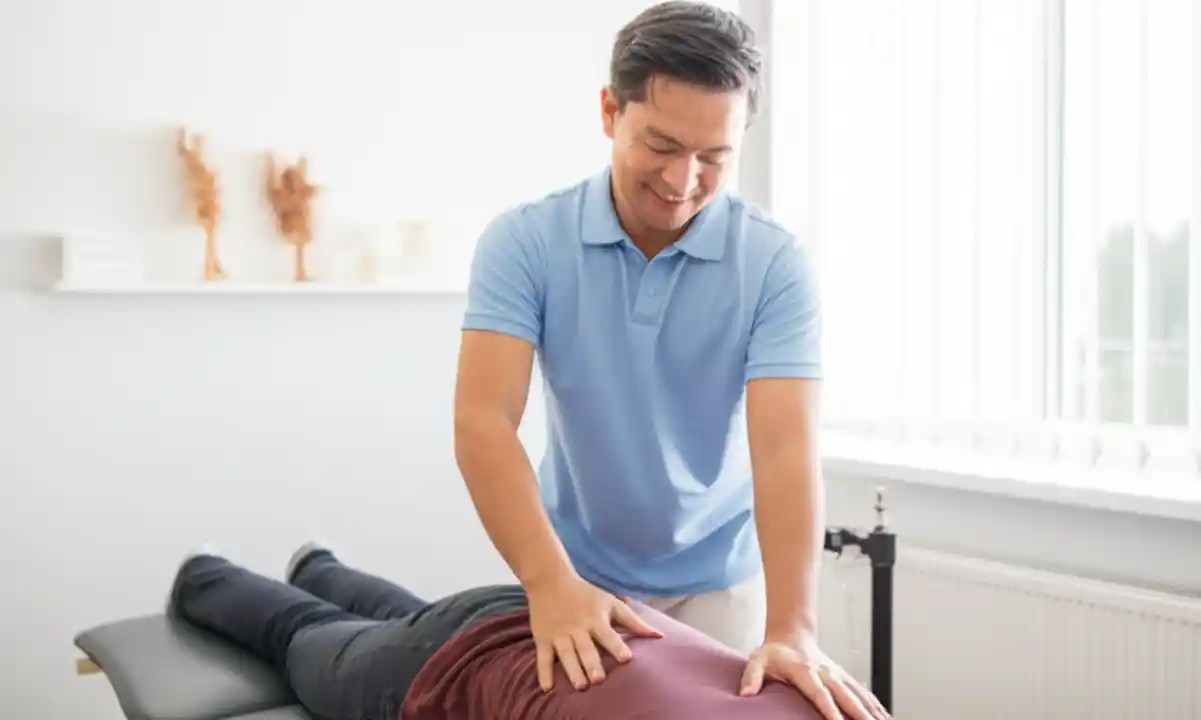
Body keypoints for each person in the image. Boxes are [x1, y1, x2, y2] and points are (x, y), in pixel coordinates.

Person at [453, 3, 889, 720]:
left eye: (714, 157)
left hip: (721, 578)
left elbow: (785, 448)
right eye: (660, 143)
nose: (683, 179)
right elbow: (483, 421)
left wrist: (793, 630)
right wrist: (548, 582)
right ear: (608, 112)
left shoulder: (773, 263)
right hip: (578, 570)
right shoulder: (525, 241)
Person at [167, 542, 854, 719]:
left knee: (413, 623)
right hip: (466, 659)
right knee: (308, 640)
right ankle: (204, 575)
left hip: (567, 612)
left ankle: (319, 564)